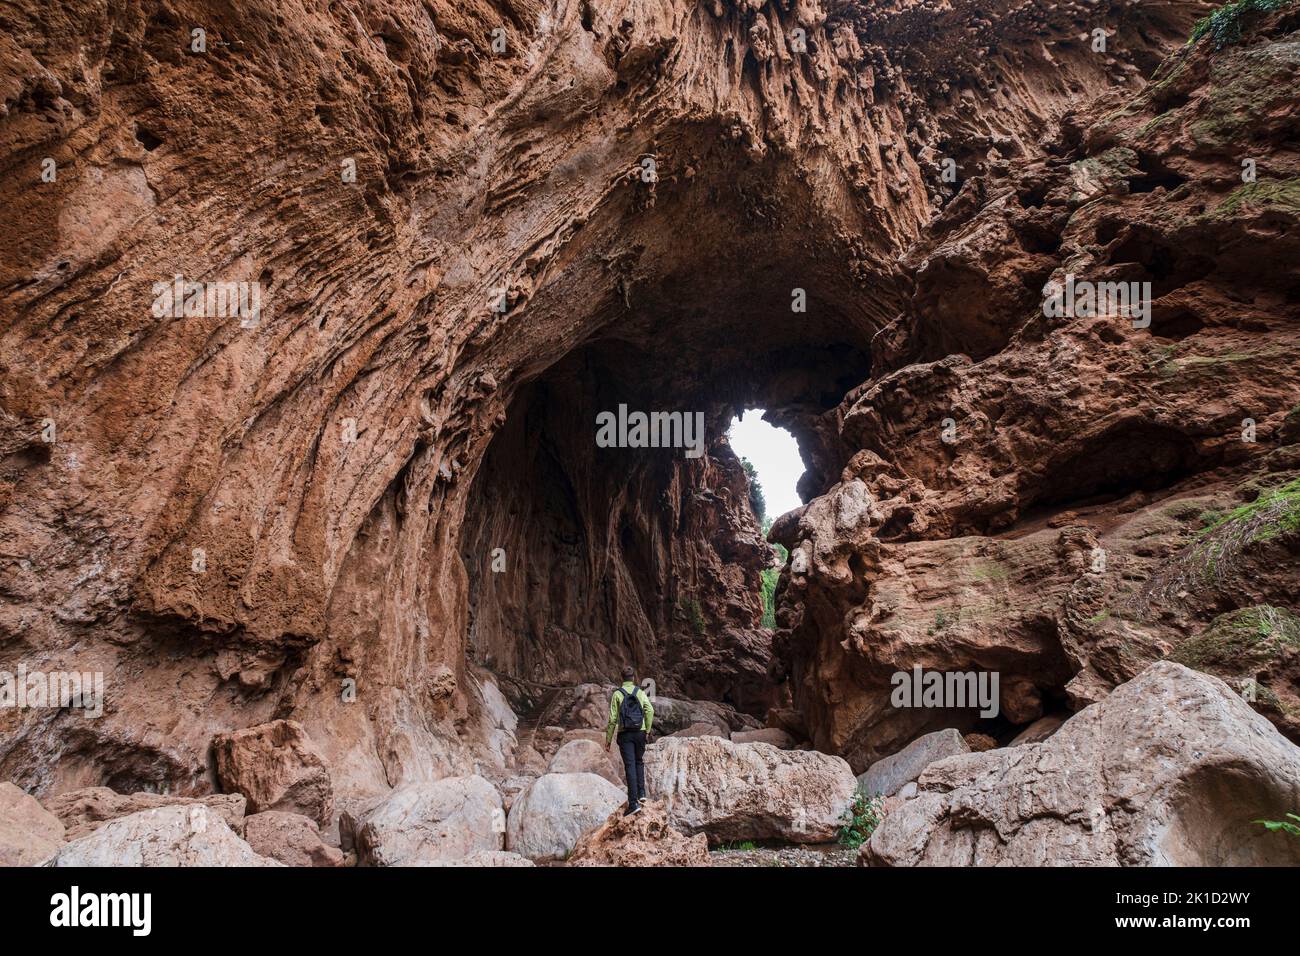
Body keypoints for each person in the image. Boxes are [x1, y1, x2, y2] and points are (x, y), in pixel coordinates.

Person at [605, 666, 654, 814]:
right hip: (640, 732)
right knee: (639, 761)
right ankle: (642, 794)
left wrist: (608, 739)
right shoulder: (640, 692)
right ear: (633, 678)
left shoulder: (617, 694)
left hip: (625, 734)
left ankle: (633, 804)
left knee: (630, 766)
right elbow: (650, 710)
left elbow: (613, 719)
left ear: (622, 679)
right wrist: (647, 729)